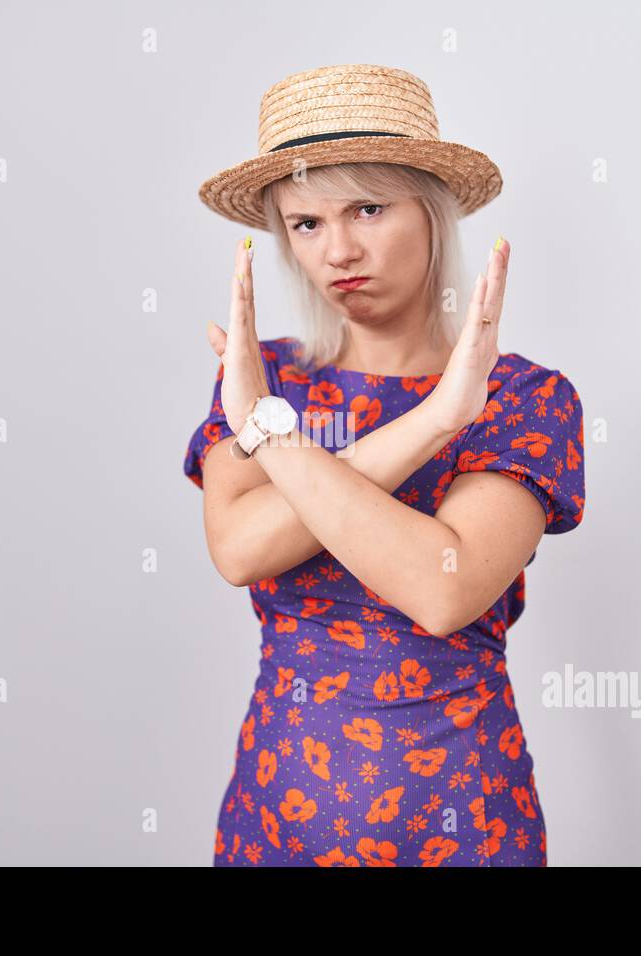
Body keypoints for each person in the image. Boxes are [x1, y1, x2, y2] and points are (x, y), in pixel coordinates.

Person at [185, 64, 586, 867]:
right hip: (275, 822)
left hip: (465, 822)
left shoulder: (522, 397)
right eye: (304, 223)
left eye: (369, 209)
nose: (337, 250)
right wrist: (434, 423)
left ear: (432, 213)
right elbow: (239, 550)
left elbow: (443, 589)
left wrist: (273, 436)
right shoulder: (264, 382)